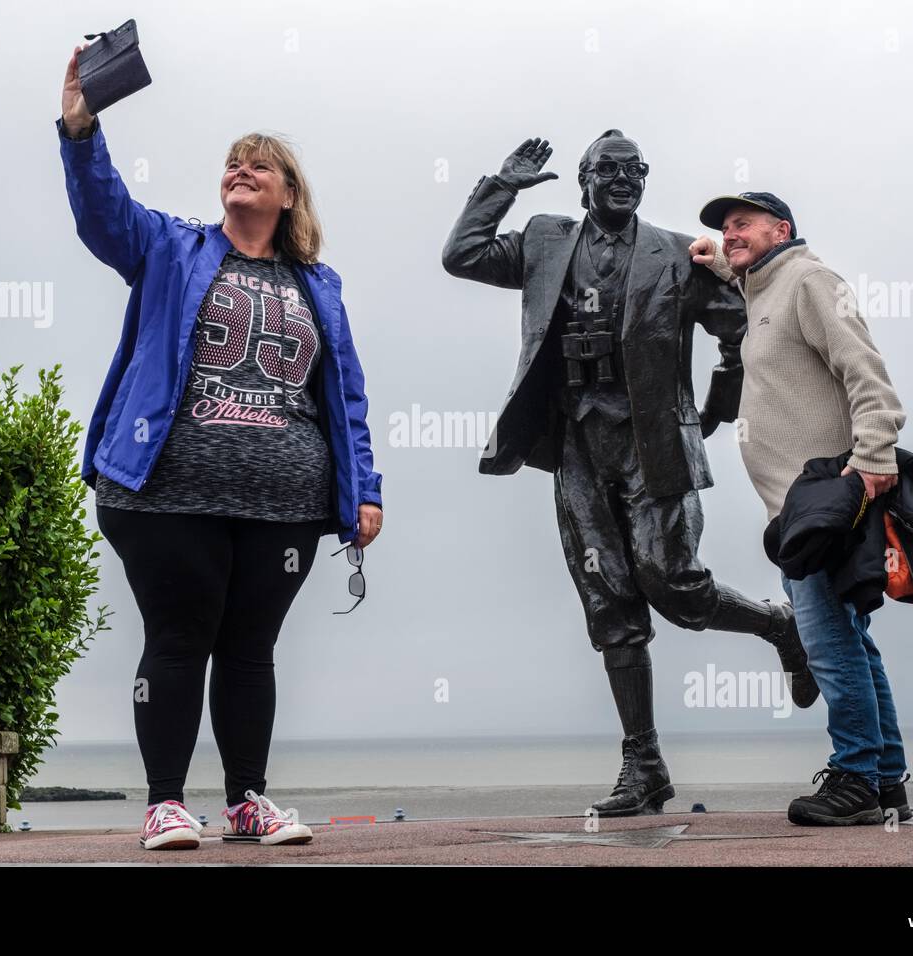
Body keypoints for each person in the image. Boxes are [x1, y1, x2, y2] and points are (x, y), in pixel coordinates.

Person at [57, 43, 383, 848]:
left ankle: (247, 801)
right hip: (166, 492)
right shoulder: (171, 247)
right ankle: (166, 803)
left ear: (287, 194)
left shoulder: (320, 285)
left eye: (259, 167)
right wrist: (79, 129)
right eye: (234, 163)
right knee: (178, 635)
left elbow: (343, 393)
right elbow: (104, 216)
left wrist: (363, 488)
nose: (240, 171)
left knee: (250, 648)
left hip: (283, 503)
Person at [441, 134, 818, 818]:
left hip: (655, 445)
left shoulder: (677, 253)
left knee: (672, 583)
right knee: (609, 605)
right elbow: (461, 255)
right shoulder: (545, 241)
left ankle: (776, 625)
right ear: (583, 179)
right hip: (578, 444)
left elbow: (741, 326)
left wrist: (718, 405)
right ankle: (643, 765)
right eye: (609, 169)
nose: (624, 179)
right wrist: (502, 185)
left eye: (635, 170)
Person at [690, 192, 910, 825]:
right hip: (797, 503)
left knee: (827, 641)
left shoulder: (811, 281)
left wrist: (874, 453)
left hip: (826, 497)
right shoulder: (762, 288)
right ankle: (885, 780)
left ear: (781, 229)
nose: (731, 235)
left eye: (742, 225)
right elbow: (748, 275)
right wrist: (717, 261)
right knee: (853, 642)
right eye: (725, 228)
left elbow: (866, 370)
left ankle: (856, 779)